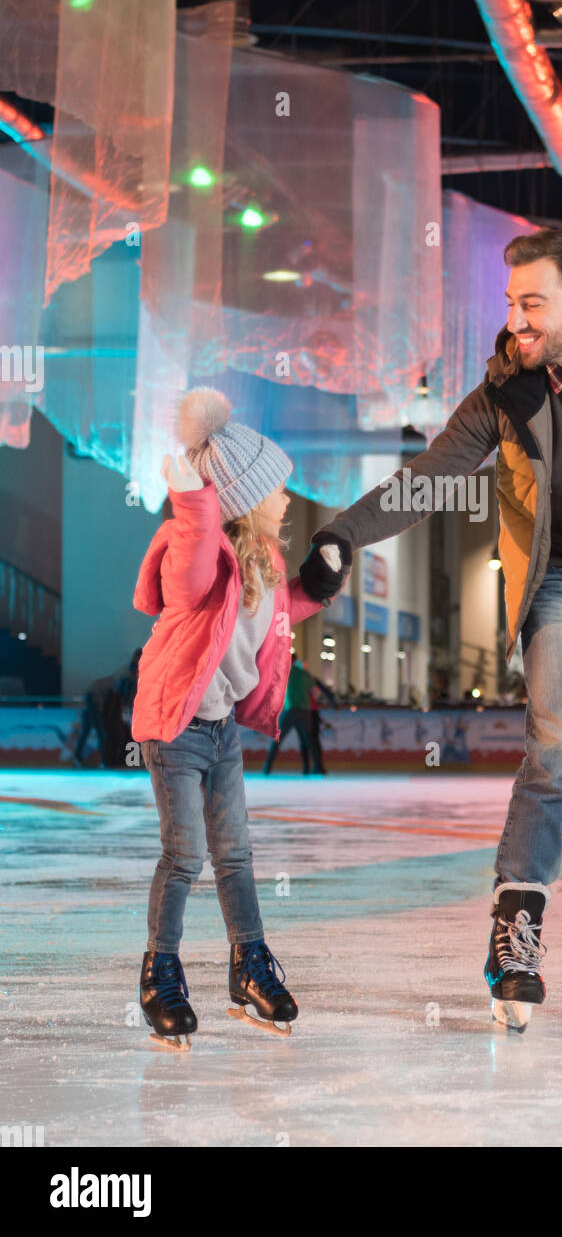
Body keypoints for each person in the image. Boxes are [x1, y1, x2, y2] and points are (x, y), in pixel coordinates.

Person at [299, 230, 562, 1032]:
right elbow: (426, 479)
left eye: (530, 303)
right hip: (560, 580)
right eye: (509, 303)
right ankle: (516, 930)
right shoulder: (507, 389)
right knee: (556, 749)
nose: (515, 319)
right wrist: (342, 536)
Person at [130, 387, 350, 1047]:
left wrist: (315, 585)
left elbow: (271, 614)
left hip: (220, 729)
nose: (286, 500)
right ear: (244, 499)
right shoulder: (189, 551)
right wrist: (195, 499)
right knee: (186, 852)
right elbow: (198, 564)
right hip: (176, 729)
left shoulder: (261, 560)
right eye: (276, 490)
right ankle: (160, 970)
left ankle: (249, 964)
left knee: (236, 854)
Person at [262, 657, 337, 775]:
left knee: (277, 739)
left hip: (290, 709)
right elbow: (316, 692)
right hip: (304, 710)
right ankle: (317, 767)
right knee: (309, 741)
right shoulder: (305, 674)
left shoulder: (284, 672)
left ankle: (267, 768)